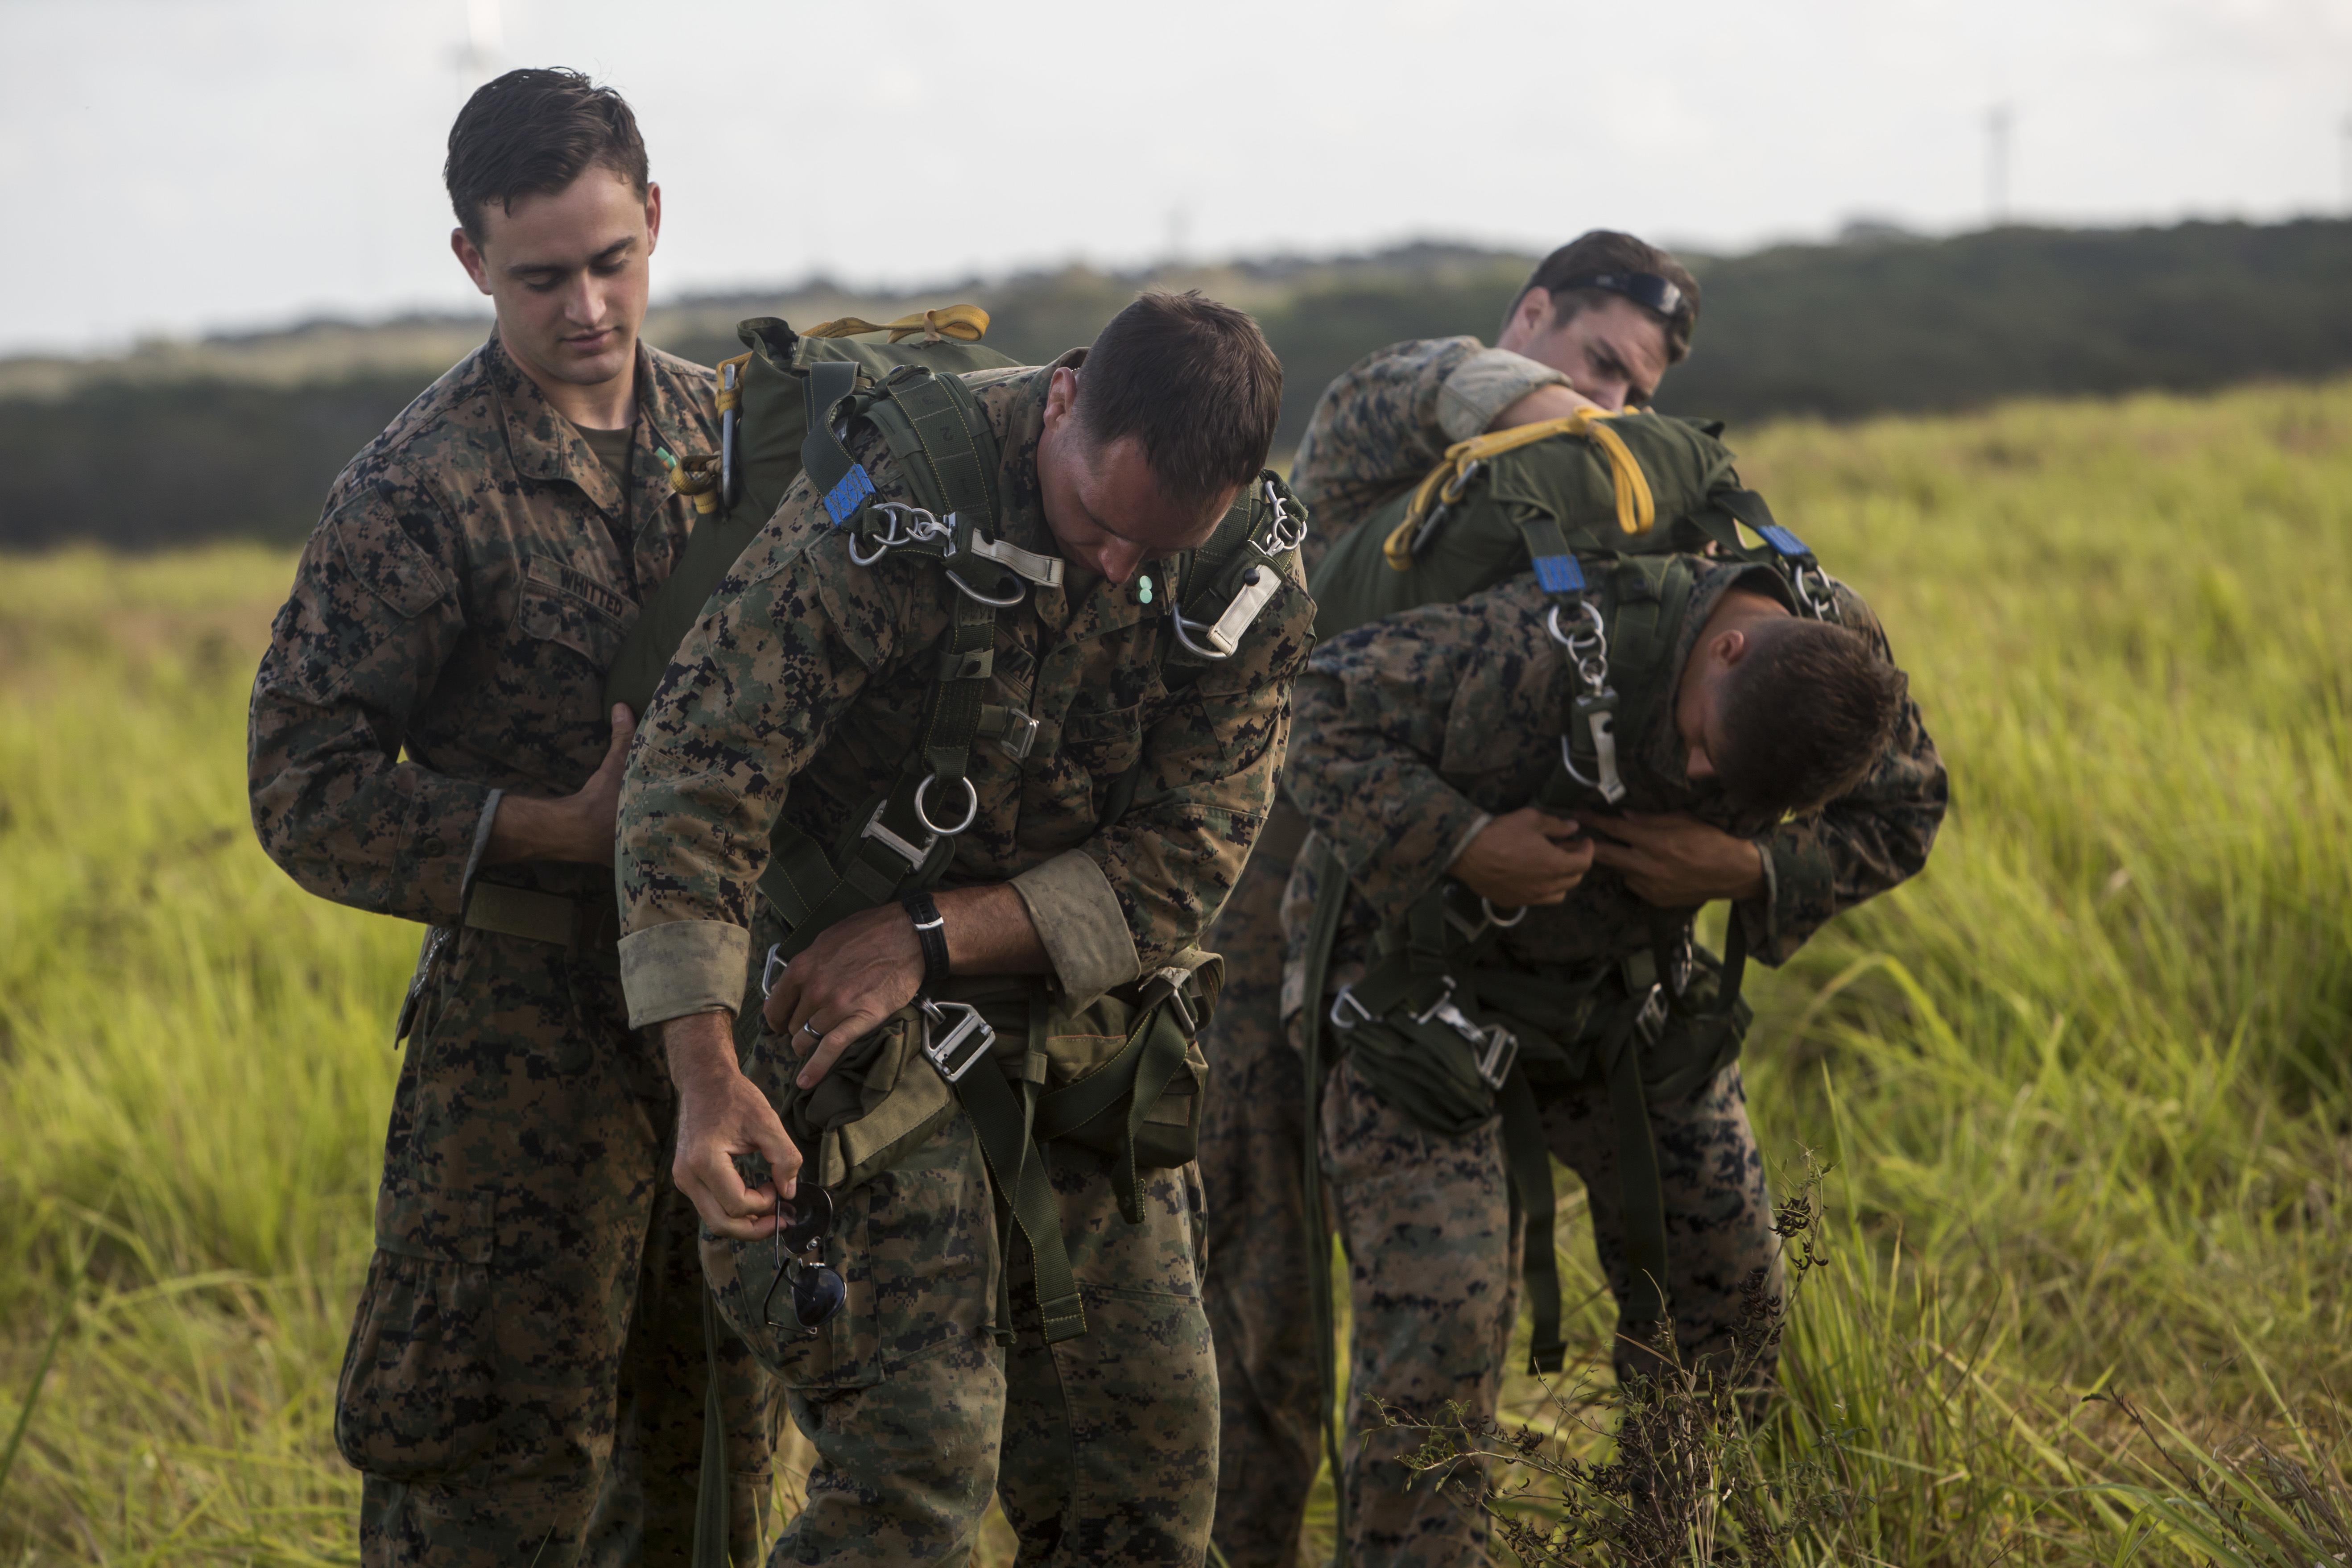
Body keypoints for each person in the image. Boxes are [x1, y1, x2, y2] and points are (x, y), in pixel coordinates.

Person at [612, 290, 1314, 1566]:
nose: (1121, 572)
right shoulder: (894, 507)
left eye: (1158, 550)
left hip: (1067, 1023)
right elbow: (697, 774)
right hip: (825, 1023)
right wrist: (706, 1081)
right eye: (1100, 523)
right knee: (918, 1467)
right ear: (1062, 396)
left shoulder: (1244, 578)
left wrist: (934, 933)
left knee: (1150, 1469)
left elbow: (1187, 859)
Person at [247, 68, 773, 1568]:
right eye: (544, 275)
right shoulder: (418, 489)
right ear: (474, 261)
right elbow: (300, 782)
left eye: (614, 260)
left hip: (730, 1033)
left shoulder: (738, 450)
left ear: (655, 220)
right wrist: (553, 827)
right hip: (519, 1060)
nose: (590, 305)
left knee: (718, 1456)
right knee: (490, 1477)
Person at [1282, 522, 1945, 1563]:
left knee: (1731, 1295)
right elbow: (1311, 707)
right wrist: (1463, 842)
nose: (1688, 767)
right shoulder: (1532, 638)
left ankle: (1668, 1541)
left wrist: (1745, 869)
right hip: (1423, 1003)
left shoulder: (1841, 650)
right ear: (1727, 646)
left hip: (1625, 1005)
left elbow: (1908, 809)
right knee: (1441, 1336)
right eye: (1698, 743)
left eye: (1717, 775)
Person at [1203, 229, 1709, 1567]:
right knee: (1262, 1314)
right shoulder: (1397, 419)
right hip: (1262, 921)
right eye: (1596, 360)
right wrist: (1606, 442)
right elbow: (1447, 383)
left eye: (1638, 395)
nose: (1609, 407)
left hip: (1441, 961)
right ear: (1529, 313)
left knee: (1439, 1322)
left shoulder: (1576, 528)